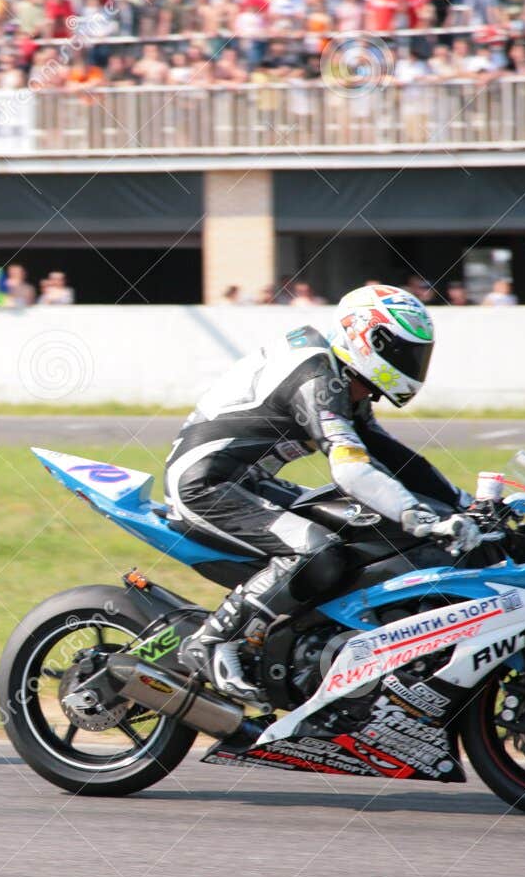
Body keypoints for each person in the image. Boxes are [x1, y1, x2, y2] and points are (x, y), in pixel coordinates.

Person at [166, 285, 479, 705]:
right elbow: (350, 467)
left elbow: (389, 454)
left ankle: (302, 644)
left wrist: (464, 503)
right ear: (371, 340)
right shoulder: (318, 376)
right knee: (316, 549)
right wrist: (418, 515)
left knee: (355, 528)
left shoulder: (341, 376)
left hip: (246, 481)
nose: (414, 364)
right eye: (406, 352)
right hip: (206, 487)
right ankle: (210, 642)